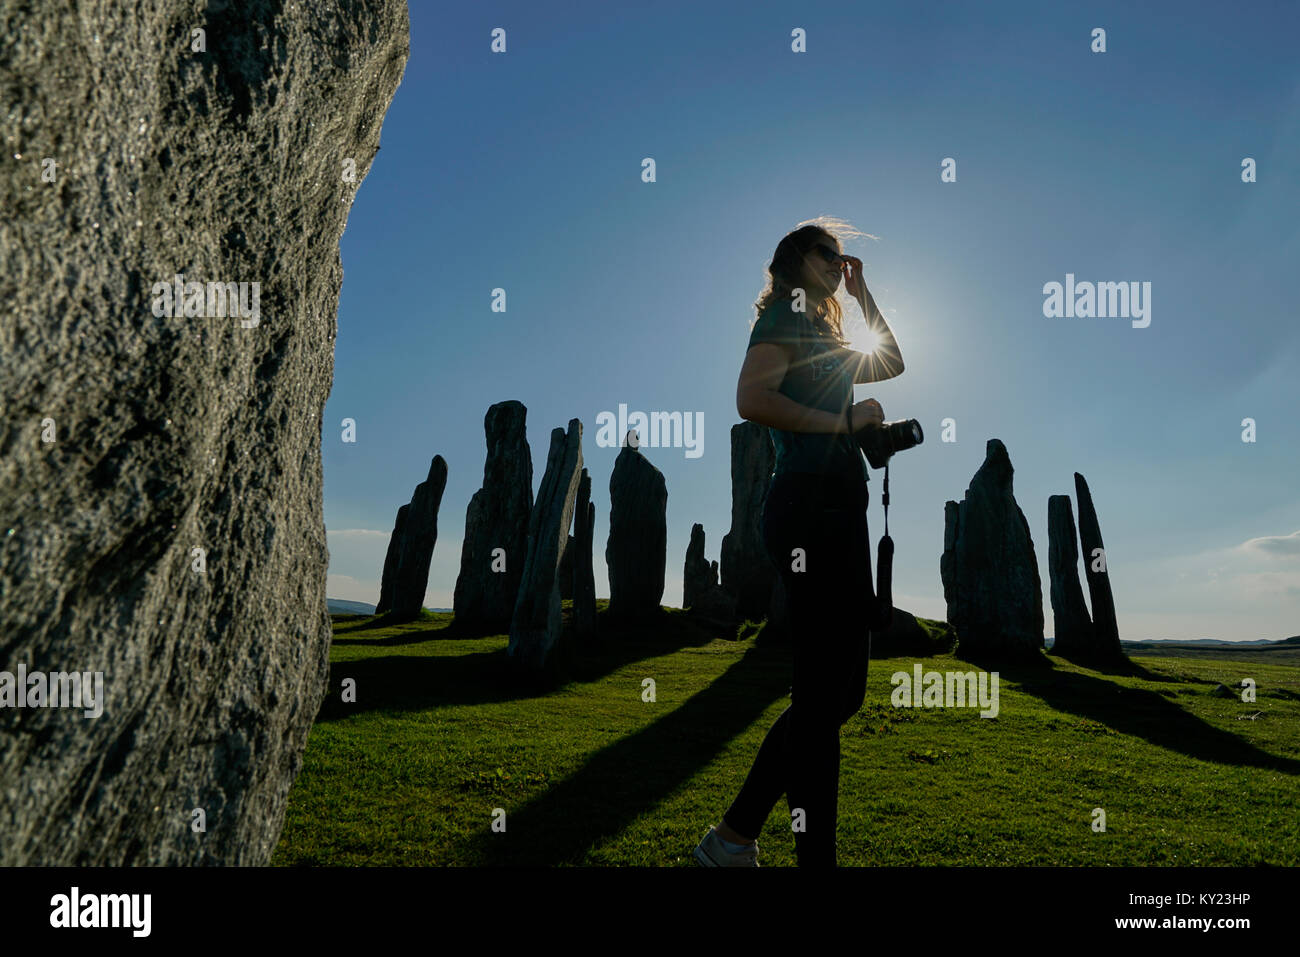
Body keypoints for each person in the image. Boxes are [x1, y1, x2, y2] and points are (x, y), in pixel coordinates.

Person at [693, 216, 905, 867]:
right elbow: (750, 398)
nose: (837, 264)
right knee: (822, 697)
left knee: (839, 695)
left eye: (842, 257)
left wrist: (864, 292)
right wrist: (841, 420)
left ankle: (733, 838)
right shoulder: (782, 322)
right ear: (793, 263)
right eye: (828, 255)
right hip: (808, 511)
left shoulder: (828, 336)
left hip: (841, 511)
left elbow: (893, 360)